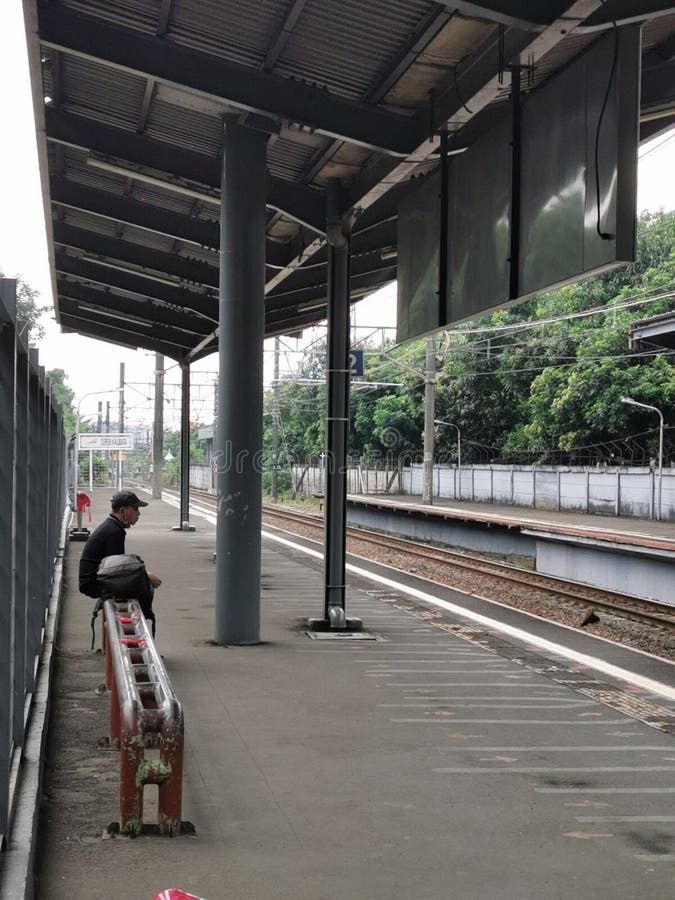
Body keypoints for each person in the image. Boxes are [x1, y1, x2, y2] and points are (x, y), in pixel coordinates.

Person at [79, 491, 162, 631]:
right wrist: (146, 575)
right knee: (145, 586)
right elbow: (118, 570)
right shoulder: (114, 532)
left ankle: (136, 626)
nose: (138, 514)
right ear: (123, 511)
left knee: (142, 582)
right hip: (93, 583)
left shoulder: (111, 526)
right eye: (135, 509)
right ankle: (134, 630)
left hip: (93, 579)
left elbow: (117, 566)